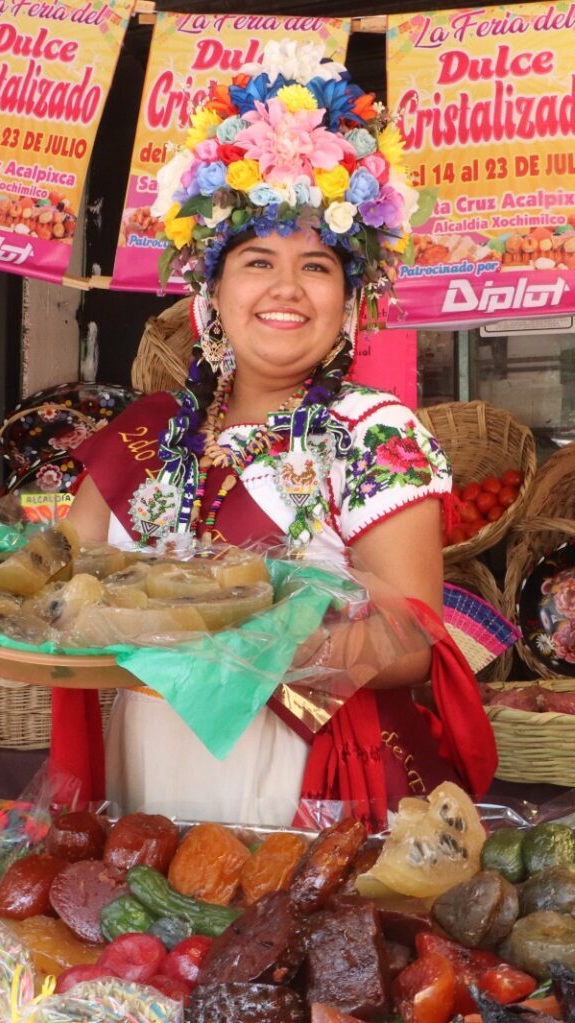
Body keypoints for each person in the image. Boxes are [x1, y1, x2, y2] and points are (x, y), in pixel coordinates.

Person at [52, 41, 496, 827]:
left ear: (349, 298)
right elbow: (58, 583)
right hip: (145, 767)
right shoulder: (151, 432)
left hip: (297, 774)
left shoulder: (373, 434)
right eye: (257, 261)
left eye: (318, 266)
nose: (287, 288)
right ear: (212, 290)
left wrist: (239, 636)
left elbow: (411, 643)